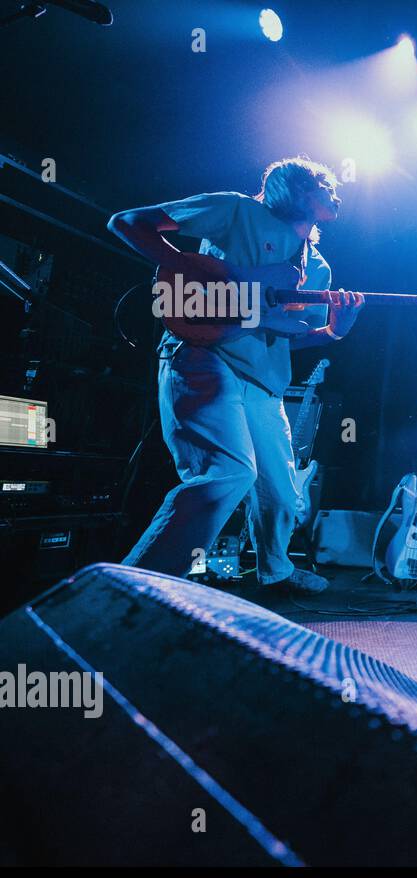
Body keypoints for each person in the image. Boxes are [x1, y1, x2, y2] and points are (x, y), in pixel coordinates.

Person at [108, 157, 364, 594]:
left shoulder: (317, 267)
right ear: (298, 188)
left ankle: (277, 572)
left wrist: (333, 332)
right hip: (206, 355)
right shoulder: (237, 210)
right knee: (228, 471)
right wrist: (191, 271)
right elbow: (129, 222)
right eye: (326, 184)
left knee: (283, 495)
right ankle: (138, 585)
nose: (337, 192)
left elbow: (289, 334)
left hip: (264, 384)